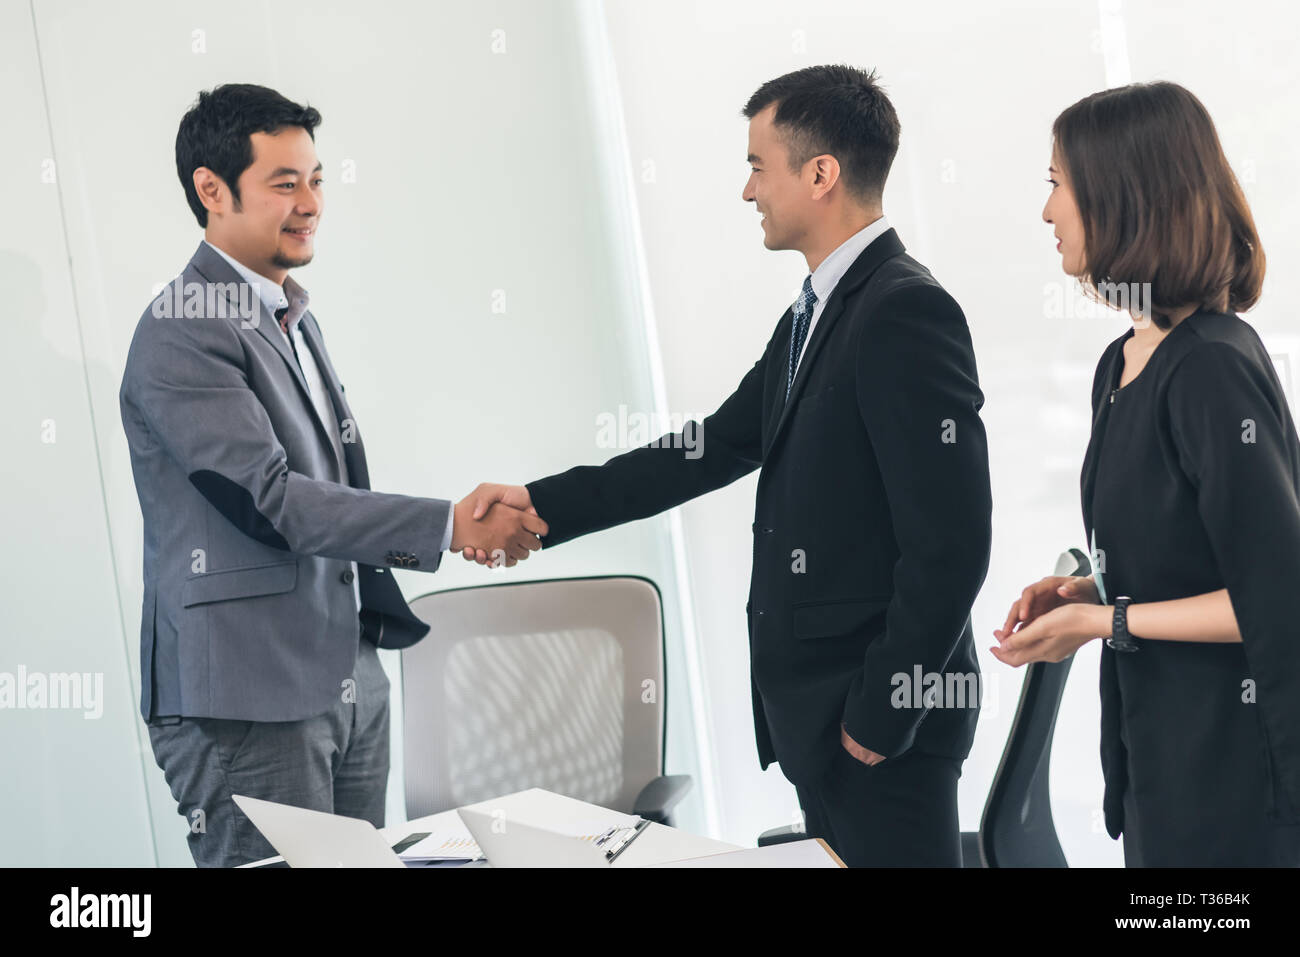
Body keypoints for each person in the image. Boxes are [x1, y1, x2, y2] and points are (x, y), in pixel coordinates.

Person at [463, 65, 993, 867]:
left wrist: (880, 716)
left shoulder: (903, 311)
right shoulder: (816, 314)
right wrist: (542, 503)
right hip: (825, 724)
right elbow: (706, 448)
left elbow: (952, 545)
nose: (748, 192)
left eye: (757, 166)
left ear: (821, 175)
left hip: (881, 732)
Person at [119, 84, 545, 866]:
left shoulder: (286, 310)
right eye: (285, 183)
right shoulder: (183, 327)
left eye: (316, 179)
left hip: (343, 676)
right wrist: (448, 524)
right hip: (248, 700)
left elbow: (328, 484)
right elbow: (269, 500)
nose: (310, 202)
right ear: (210, 190)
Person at [993, 81, 1300, 866]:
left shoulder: (1209, 370)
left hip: (1231, 792)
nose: (1046, 211)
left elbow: (1275, 596)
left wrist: (1103, 623)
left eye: (1058, 183)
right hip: (1157, 771)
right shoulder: (1122, 363)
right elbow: (1182, 552)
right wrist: (1089, 590)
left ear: (1121, 195)